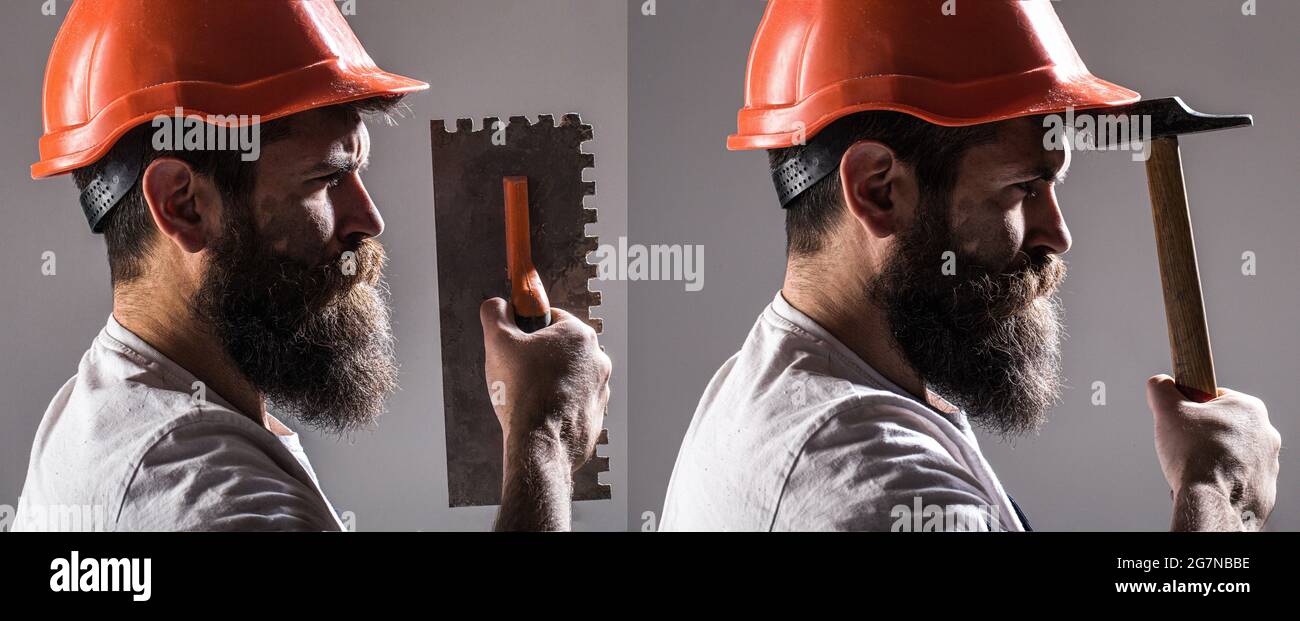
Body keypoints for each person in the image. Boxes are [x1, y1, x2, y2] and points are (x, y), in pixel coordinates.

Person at [660, 0, 1279, 531]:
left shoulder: (767, 385)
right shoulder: (878, 485)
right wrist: (1219, 498)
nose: (1057, 235)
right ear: (879, 190)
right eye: (1023, 186)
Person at [14, 0, 609, 532]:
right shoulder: (215, 505)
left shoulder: (102, 407)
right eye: (326, 177)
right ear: (184, 205)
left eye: (357, 172)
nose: (369, 219)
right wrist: (543, 439)